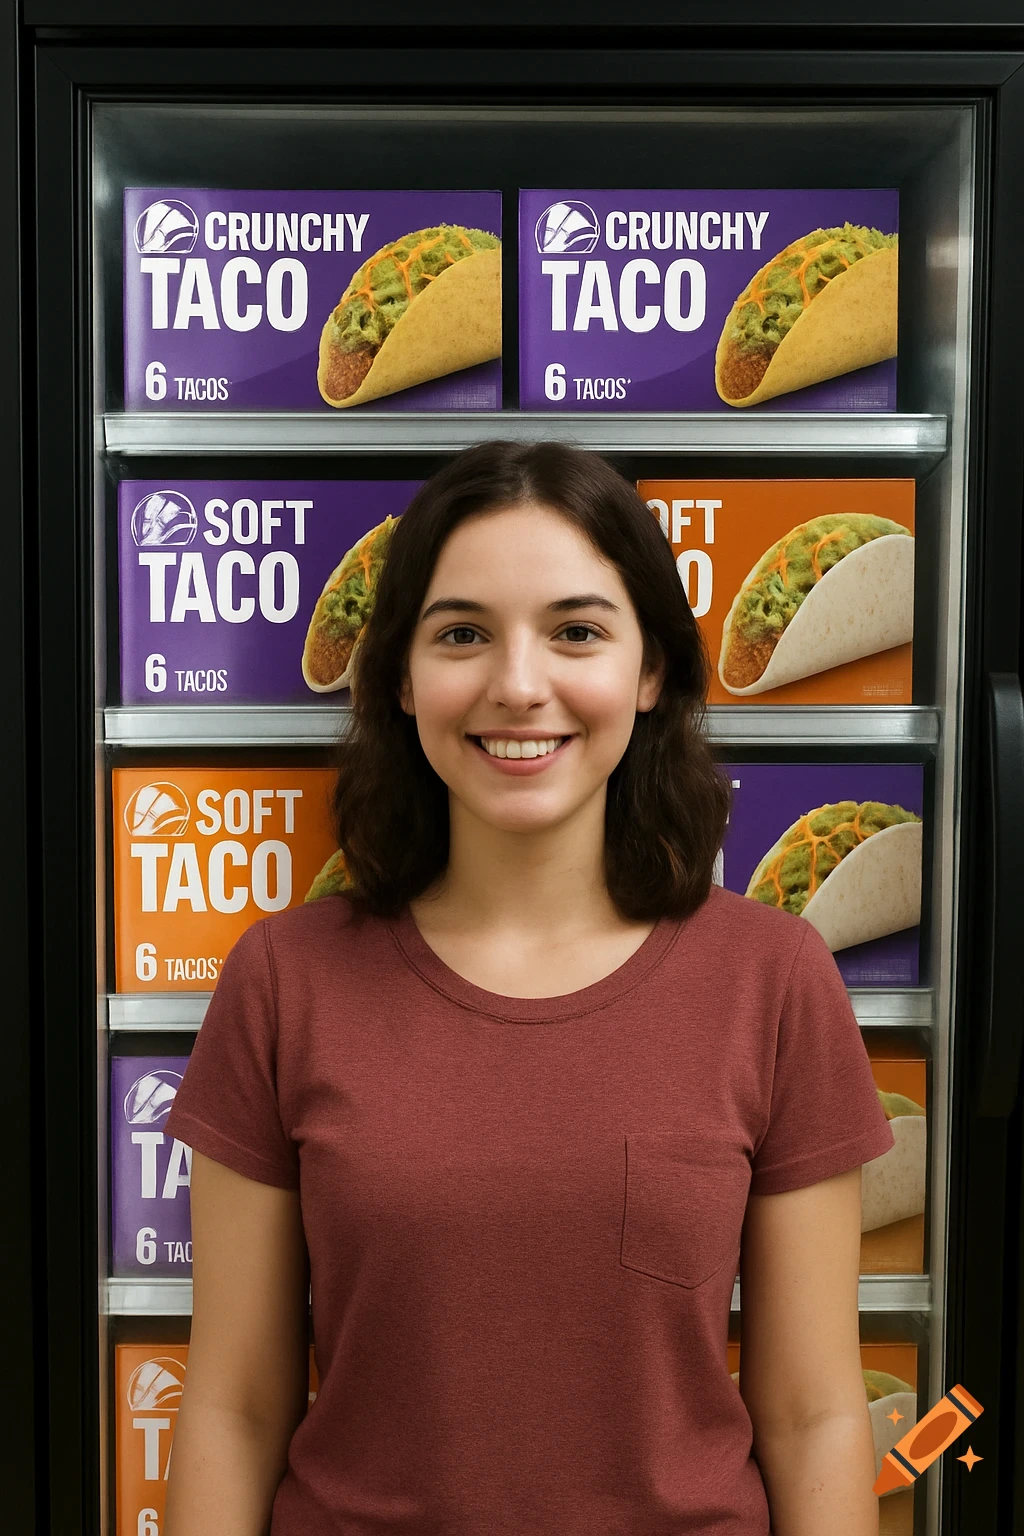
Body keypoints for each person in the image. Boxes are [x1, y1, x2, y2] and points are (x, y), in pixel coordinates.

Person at [164, 440, 895, 1536]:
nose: (517, 684)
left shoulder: (773, 982)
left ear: (648, 672)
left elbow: (811, 1415)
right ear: (402, 681)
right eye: (461, 633)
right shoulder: (283, 984)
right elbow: (232, 1407)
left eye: (576, 632)